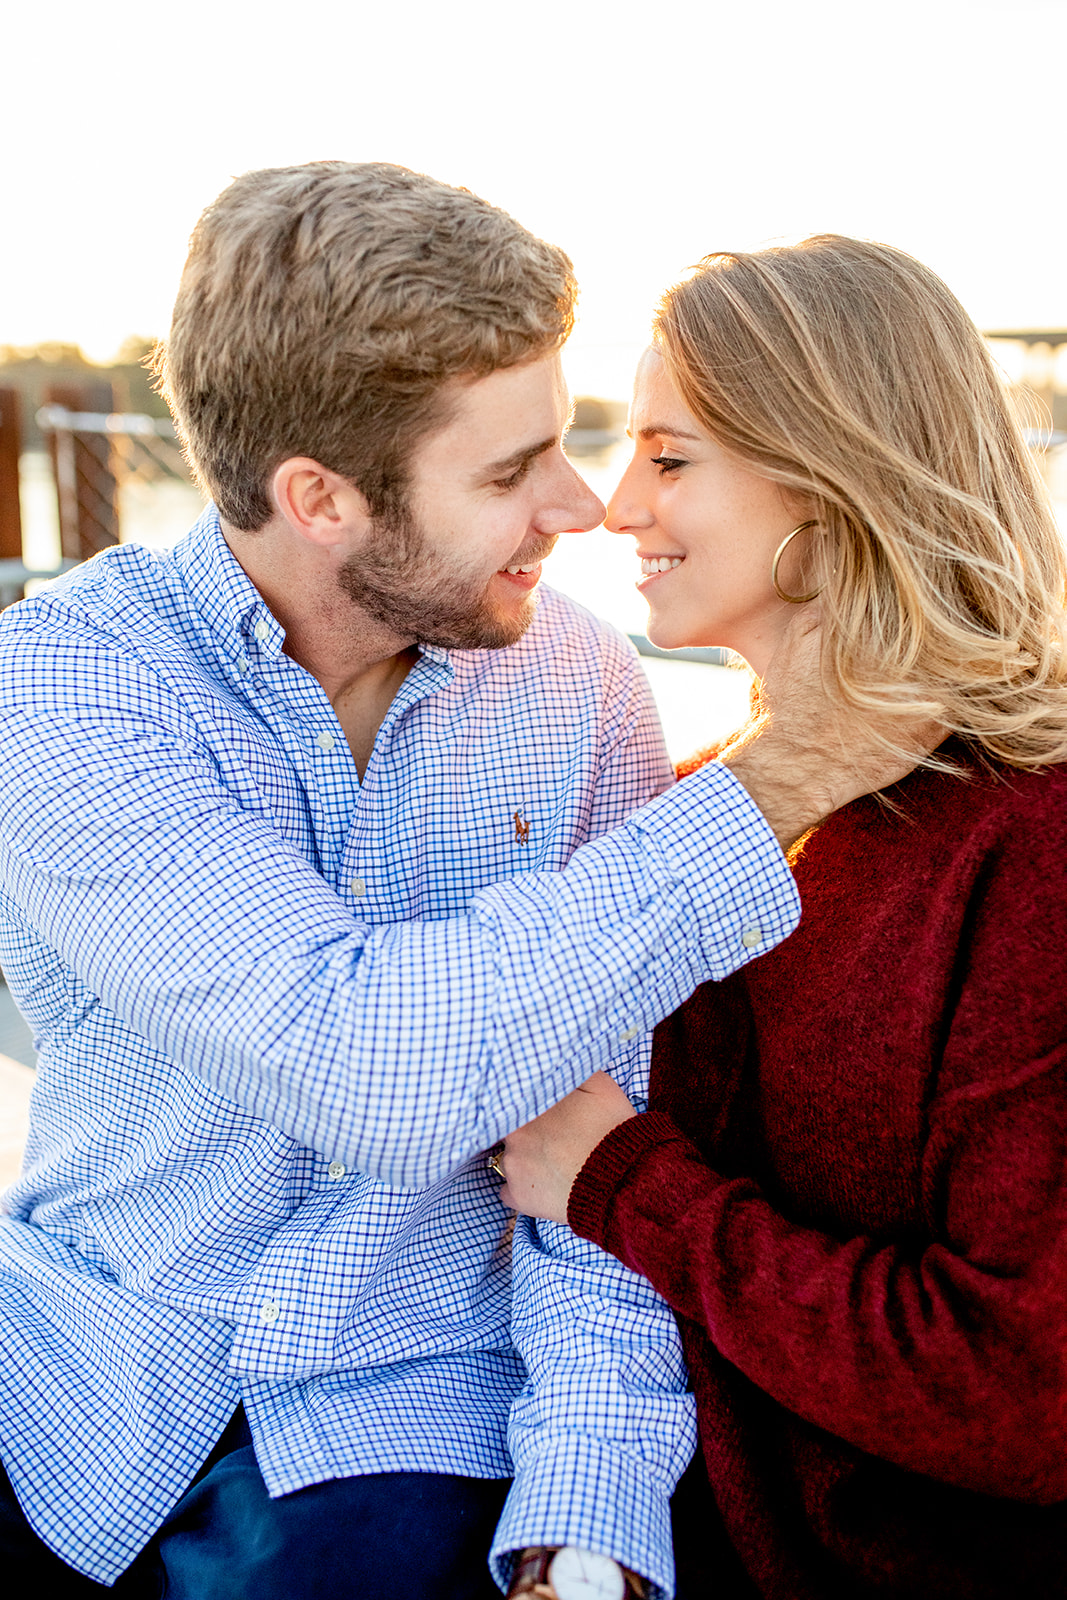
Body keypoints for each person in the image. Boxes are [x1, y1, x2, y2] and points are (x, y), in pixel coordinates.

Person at [0, 165, 915, 1600]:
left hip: (404, 1412)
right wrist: (785, 776)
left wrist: (589, 1504)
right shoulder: (69, 689)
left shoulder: (581, 688)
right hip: (80, 1384)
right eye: (507, 472)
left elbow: (605, 1117)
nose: (582, 505)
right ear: (322, 500)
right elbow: (361, 1059)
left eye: (567, 440)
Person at [501, 235, 1067, 1599]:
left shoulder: (1027, 845)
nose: (615, 506)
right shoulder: (684, 820)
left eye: (672, 456)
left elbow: (1028, 1391)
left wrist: (627, 1184)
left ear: (831, 476)